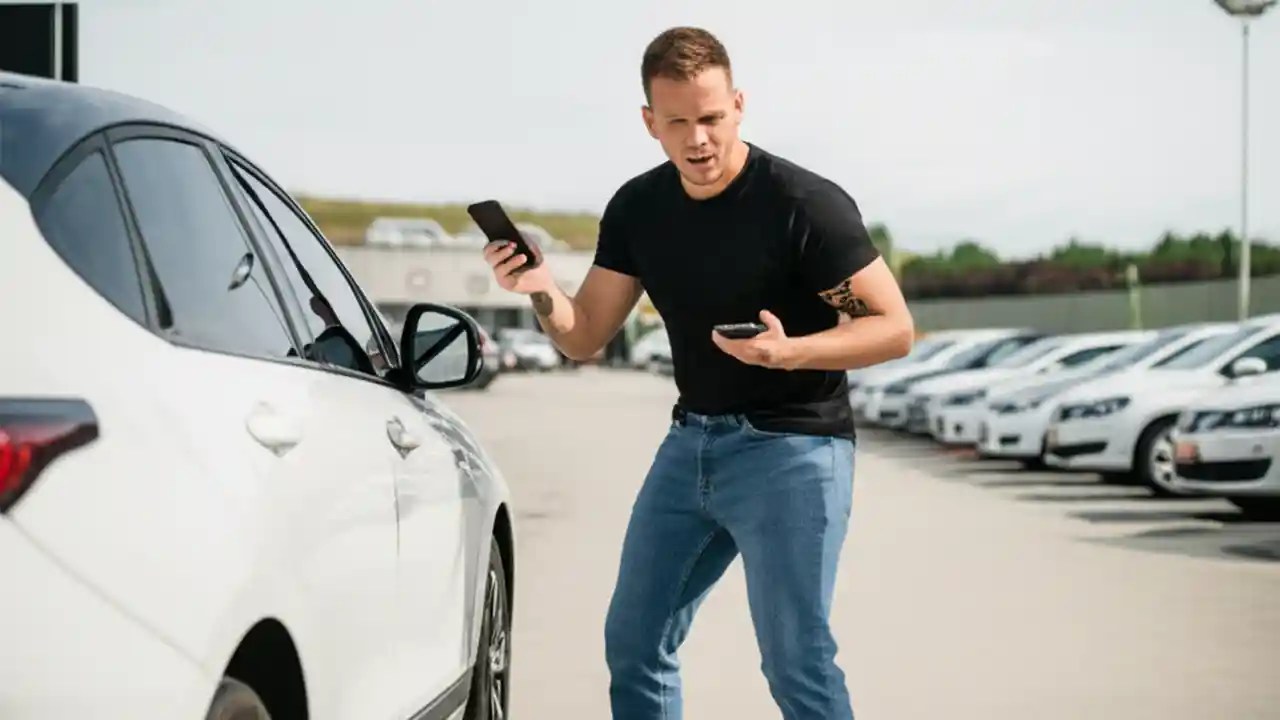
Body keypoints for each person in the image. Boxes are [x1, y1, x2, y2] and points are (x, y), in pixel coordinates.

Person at [483, 26, 914, 720]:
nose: (698, 139)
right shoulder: (637, 208)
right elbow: (584, 334)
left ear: (739, 104)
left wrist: (790, 352)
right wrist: (538, 286)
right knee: (634, 642)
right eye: (678, 122)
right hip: (691, 449)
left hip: (796, 449)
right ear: (650, 121)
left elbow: (895, 328)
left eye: (711, 118)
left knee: (795, 660)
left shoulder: (804, 205)